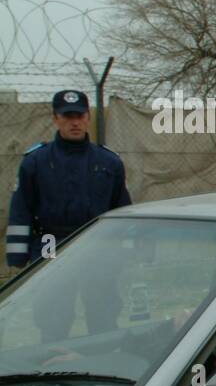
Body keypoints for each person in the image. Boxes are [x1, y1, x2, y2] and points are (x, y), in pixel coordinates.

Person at [5, 89, 132, 341]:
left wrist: (126, 250)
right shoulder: (36, 161)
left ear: (87, 117)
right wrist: (18, 256)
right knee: (53, 314)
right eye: (67, 116)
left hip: (98, 243)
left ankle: (103, 364)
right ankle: (52, 365)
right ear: (55, 119)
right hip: (51, 243)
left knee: (103, 312)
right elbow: (21, 211)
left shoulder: (108, 162)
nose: (74, 122)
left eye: (79, 116)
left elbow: (122, 210)